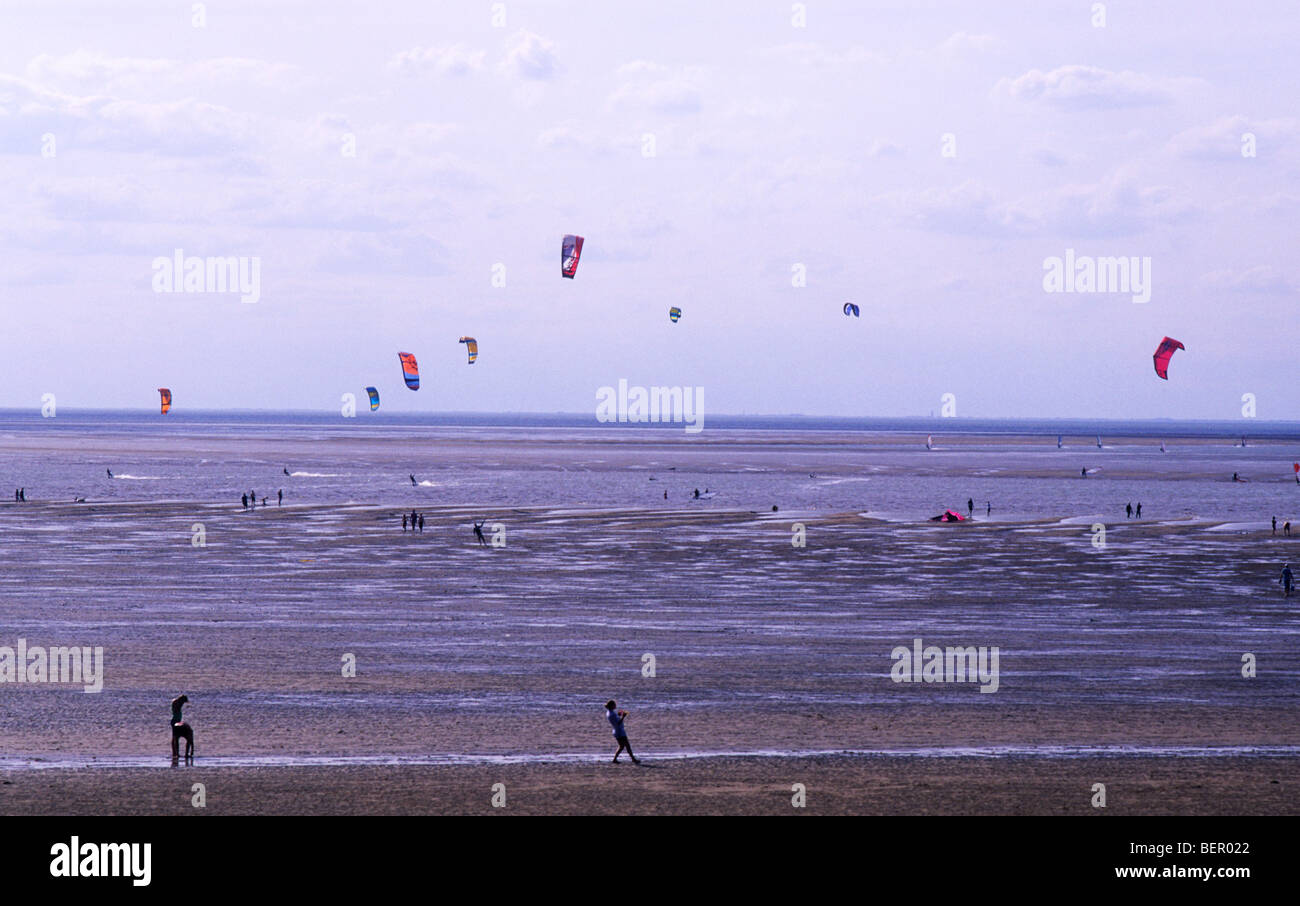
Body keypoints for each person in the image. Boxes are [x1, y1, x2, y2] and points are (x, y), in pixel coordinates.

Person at [605, 700, 640, 764]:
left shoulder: (609, 712)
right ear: (612, 706)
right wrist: (623, 717)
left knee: (621, 746)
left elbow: (615, 720)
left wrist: (618, 715)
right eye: (614, 704)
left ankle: (615, 759)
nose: (615, 705)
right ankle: (633, 759)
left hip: (616, 731)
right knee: (627, 745)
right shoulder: (612, 714)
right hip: (619, 731)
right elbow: (618, 723)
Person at [171, 694, 194, 765]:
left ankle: (175, 753)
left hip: (177, 720)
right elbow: (175, 707)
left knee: (174, 738)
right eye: (183, 702)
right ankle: (175, 753)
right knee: (175, 738)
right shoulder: (176, 703)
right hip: (175, 721)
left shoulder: (177, 703)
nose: (183, 703)